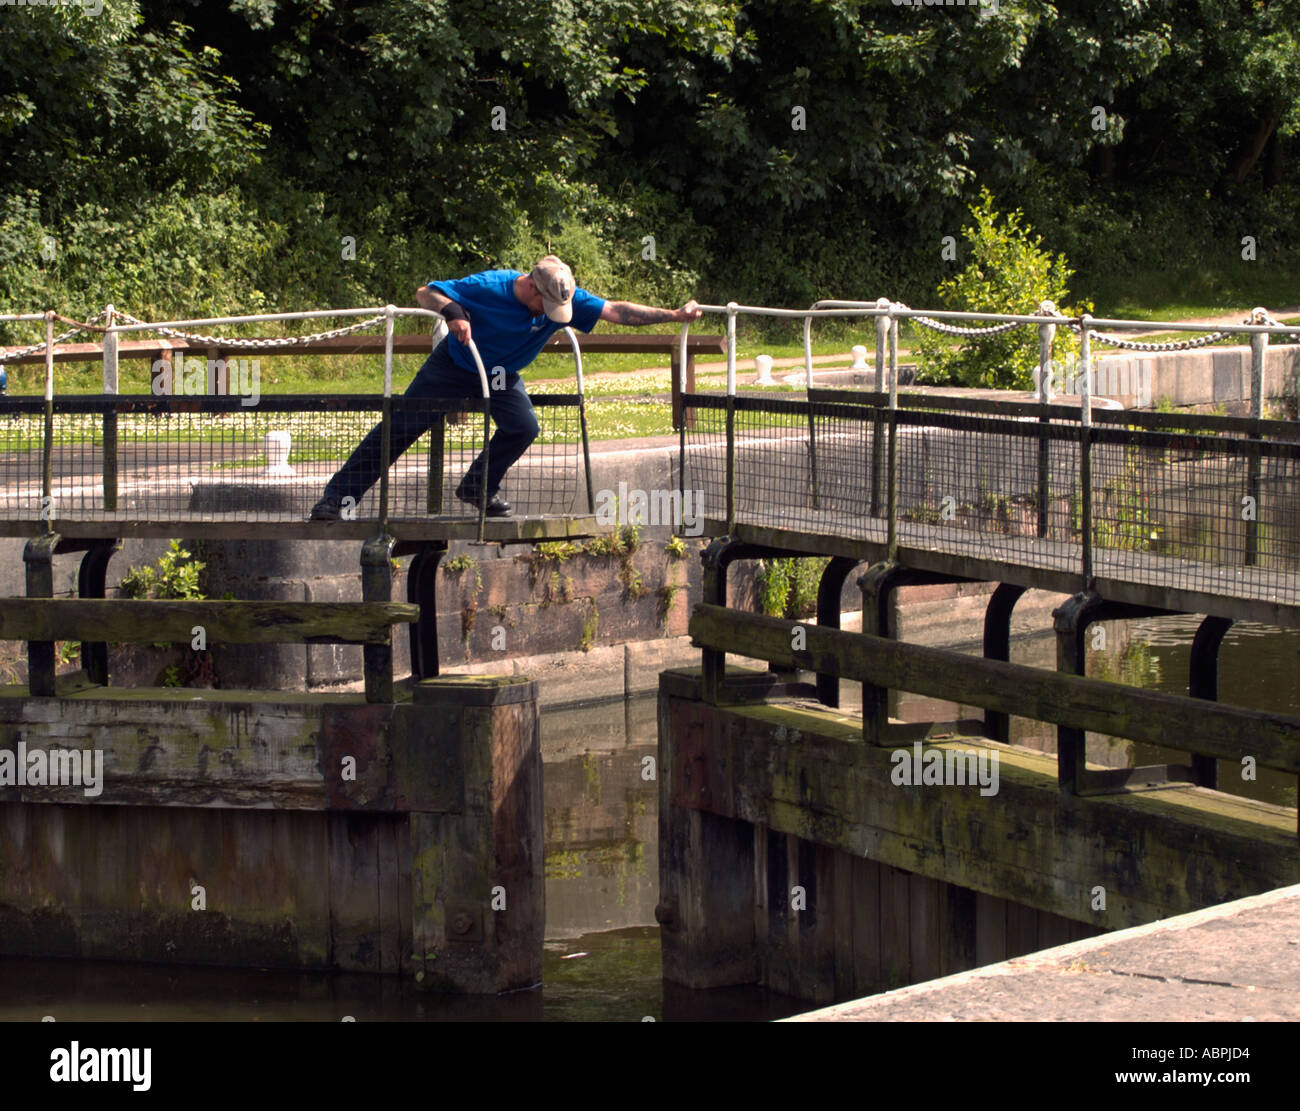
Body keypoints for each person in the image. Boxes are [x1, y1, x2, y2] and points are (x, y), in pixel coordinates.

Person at [309, 255, 702, 520]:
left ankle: (477, 486)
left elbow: (617, 311)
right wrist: (453, 313)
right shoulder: (488, 286)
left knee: (524, 427)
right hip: (456, 364)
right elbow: (425, 292)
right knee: (402, 428)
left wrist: (674, 314)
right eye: (544, 307)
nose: (550, 317)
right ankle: (337, 498)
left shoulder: (566, 298)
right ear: (532, 287)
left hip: (501, 376)